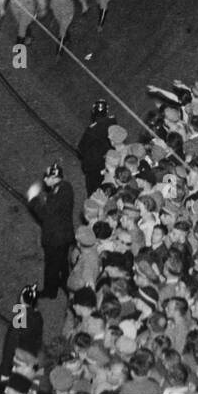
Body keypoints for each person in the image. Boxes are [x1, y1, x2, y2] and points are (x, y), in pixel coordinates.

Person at [26, 164, 75, 300]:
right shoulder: (66, 187)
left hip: (55, 238)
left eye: (47, 177)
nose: (45, 180)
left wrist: (33, 199)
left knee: (51, 265)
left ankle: (50, 291)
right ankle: (65, 283)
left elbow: (45, 214)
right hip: (65, 234)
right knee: (62, 262)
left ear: (54, 178)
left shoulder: (56, 195)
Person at [76, 99, 115, 196]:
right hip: (109, 161)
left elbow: (81, 148)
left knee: (93, 191)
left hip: (94, 166)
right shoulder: (112, 121)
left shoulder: (91, 130)